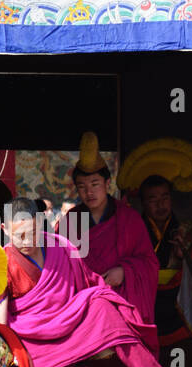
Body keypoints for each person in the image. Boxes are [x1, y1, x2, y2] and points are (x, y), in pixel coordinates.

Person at [0, 198, 176, 367]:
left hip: (72, 328)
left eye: (32, 233)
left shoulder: (62, 247)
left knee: (101, 304)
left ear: (42, 223)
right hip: (34, 342)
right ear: (4, 230)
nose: (26, 242)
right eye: (19, 236)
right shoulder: (1, 262)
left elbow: (87, 284)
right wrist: (5, 361)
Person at [63, 132, 158, 326]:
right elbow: (65, 266)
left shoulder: (128, 219)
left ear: (107, 184)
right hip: (85, 307)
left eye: (95, 184)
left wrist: (124, 271)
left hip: (122, 305)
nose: (89, 192)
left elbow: (149, 263)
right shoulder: (72, 221)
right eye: (82, 186)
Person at [137, 170, 192, 367]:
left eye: (165, 197)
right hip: (149, 305)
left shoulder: (187, 229)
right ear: (143, 203)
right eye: (153, 199)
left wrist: (183, 256)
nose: (160, 205)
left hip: (179, 308)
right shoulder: (135, 229)